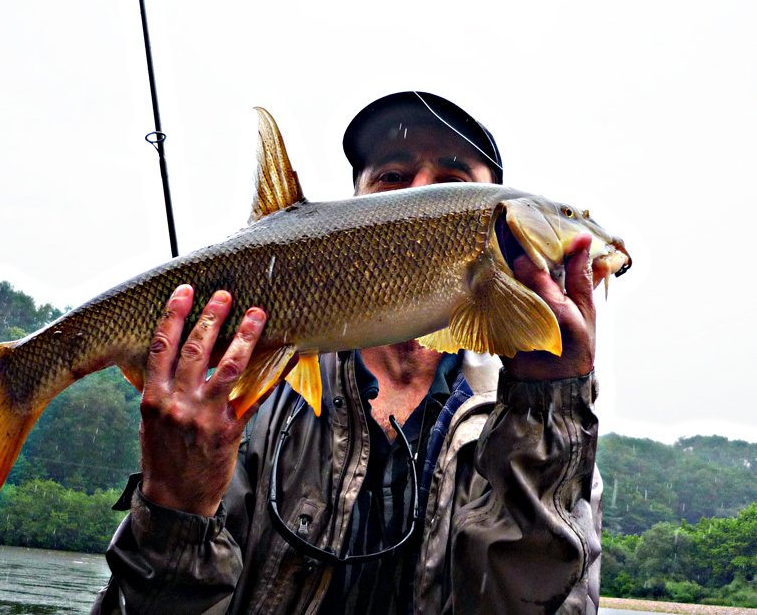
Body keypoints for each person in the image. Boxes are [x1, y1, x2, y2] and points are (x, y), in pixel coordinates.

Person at [91, 92, 602, 615]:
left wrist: (548, 404)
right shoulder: (242, 410)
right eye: (392, 178)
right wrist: (175, 508)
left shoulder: (535, 430)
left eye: (451, 182)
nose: (419, 195)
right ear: (345, 213)